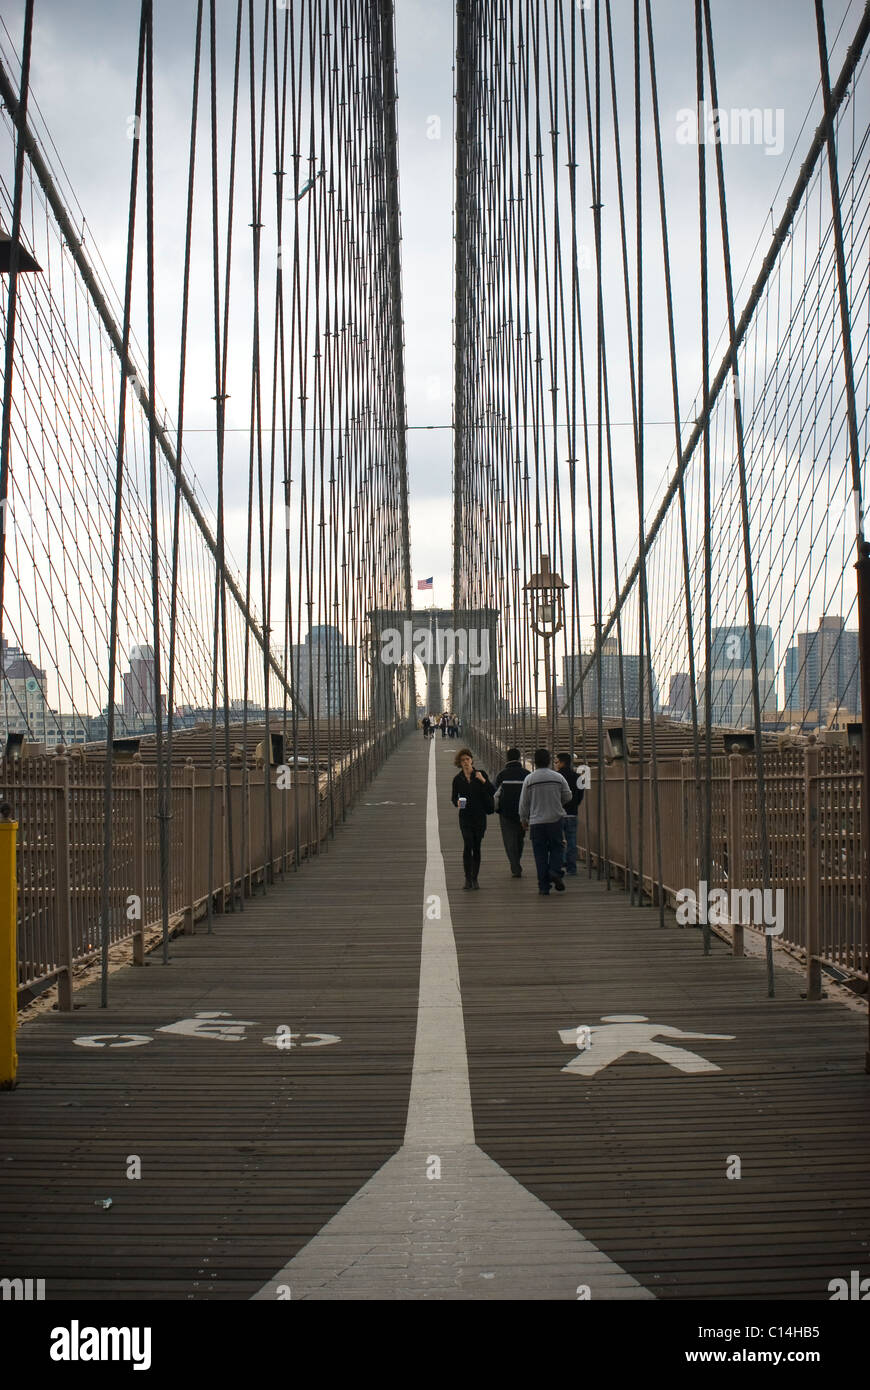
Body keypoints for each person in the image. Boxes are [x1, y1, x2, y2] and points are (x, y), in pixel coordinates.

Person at [518, 748, 572, 895]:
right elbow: (568, 796)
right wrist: (557, 802)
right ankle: (554, 871)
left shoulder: (529, 779)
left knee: (540, 854)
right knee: (557, 847)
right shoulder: (558, 777)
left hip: (536, 822)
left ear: (535, 761)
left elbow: (524, 803)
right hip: (555, 819)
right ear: (548, 761)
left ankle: (543, 886)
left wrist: (524, 819)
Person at [451, 747, 496, 889]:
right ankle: (467, 878)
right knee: (468, 843)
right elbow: (453, 797)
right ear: (459, 762)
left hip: (479, 816)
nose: (465, 762)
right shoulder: (457, 779)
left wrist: (483, 780)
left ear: (472, 760)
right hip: (465, 817)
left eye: (467, 759)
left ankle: (475, 878)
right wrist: (457, 803)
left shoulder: (480, 774)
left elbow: (492, 791)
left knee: (477, 847)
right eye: (463, 760)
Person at [493, 747, 529, 877]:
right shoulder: (527, 774)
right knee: (520, 839)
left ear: (507, 758)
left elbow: (495, 794)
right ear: (519, 758)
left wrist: (496, 809)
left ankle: (514, 864)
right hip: (522, 813)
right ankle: (517, 860)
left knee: (509, 840)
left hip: (506, 813)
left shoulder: (502, 775)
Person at [555, 752, 584, 876]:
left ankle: (560, 863)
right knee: (572, 841)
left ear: (562, 762)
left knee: (557, 842)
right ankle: (572, 868)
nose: (555, 764)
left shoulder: (556, 777)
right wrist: (574, 805)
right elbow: (581, 795)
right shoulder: (577, 777)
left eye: (556, 762)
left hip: (558, 813)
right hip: (572, 813)